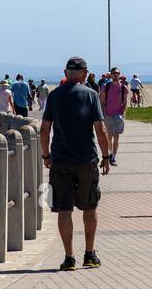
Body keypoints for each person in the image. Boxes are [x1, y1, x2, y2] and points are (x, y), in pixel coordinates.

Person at [40, 56, 110, 270]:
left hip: (60, 160)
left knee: (64, 209)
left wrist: (46, 155)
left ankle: (69, 257)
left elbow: (44, 129)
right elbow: (101, 128)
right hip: (86, 159)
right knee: (90, 206)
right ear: (85, 73)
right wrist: (106, 156)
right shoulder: (91, 95)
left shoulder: (54, 96)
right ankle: (89, 254)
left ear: (65, 72)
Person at [100, 67, 129, 165]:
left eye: (117, 73)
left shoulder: (123, 87)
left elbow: (125, 102)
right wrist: (102, 114)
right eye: (114, 73)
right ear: (111, 75)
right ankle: (110, 153)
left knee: (116, 137)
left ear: (119, 74)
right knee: (109, 137)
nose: (116, 75)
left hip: (118, 115)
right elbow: (102, 101)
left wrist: (123, 114)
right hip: (108, 115)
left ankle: (113, 157)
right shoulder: (106, 86)